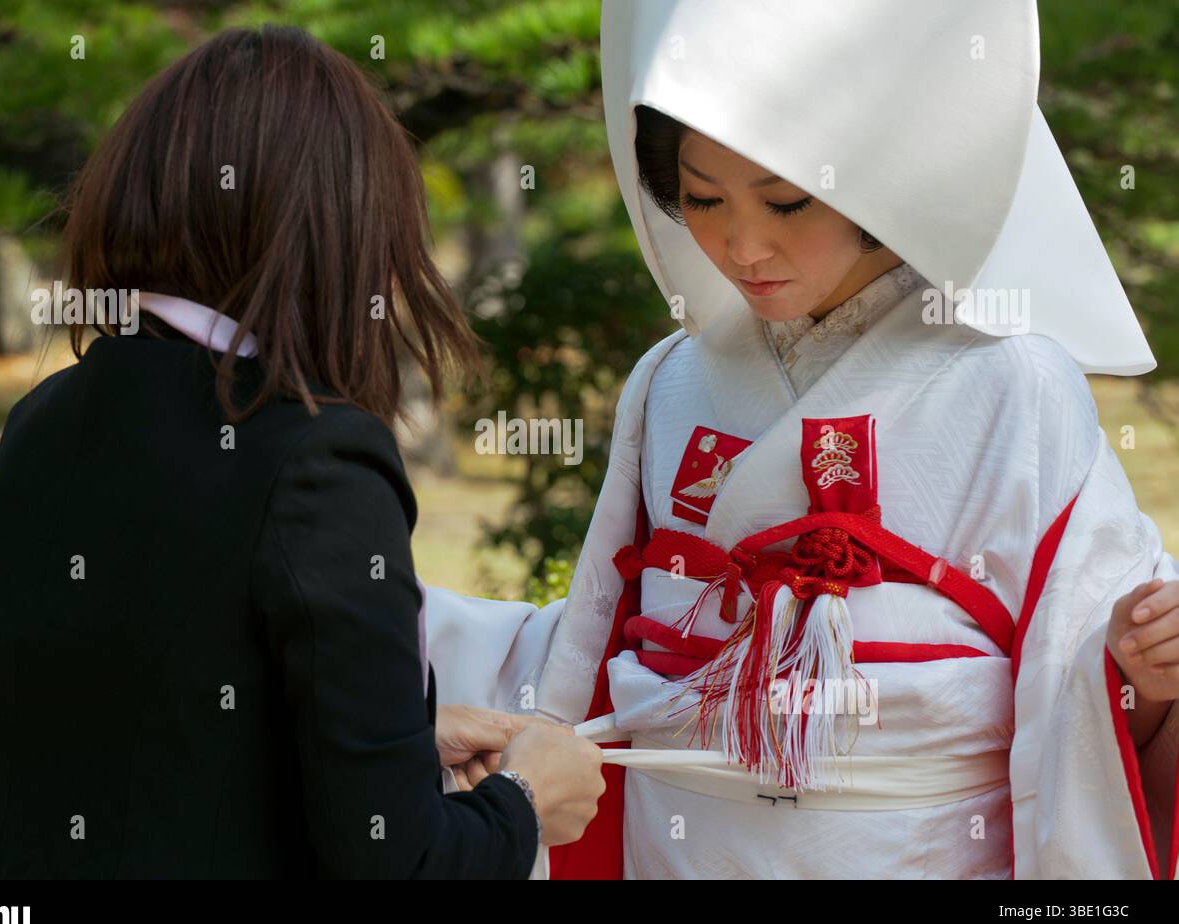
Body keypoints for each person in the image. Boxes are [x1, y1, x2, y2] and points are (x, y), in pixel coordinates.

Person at [423, 0, 1179, 879]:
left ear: (881, 182)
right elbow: (593, 641)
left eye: (786, 201)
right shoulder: (670, 380)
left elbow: (1078, 666)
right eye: (701, 198)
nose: (742, 245)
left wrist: (1138, 667)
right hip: (680, 844)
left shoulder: (1016, 383)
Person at [0, 24, 603, 880]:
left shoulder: (43, 418)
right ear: (342, 231)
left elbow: (130, 717)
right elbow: (400, 864)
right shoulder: (316, 458)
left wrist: (381, 742)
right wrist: (523, 804)